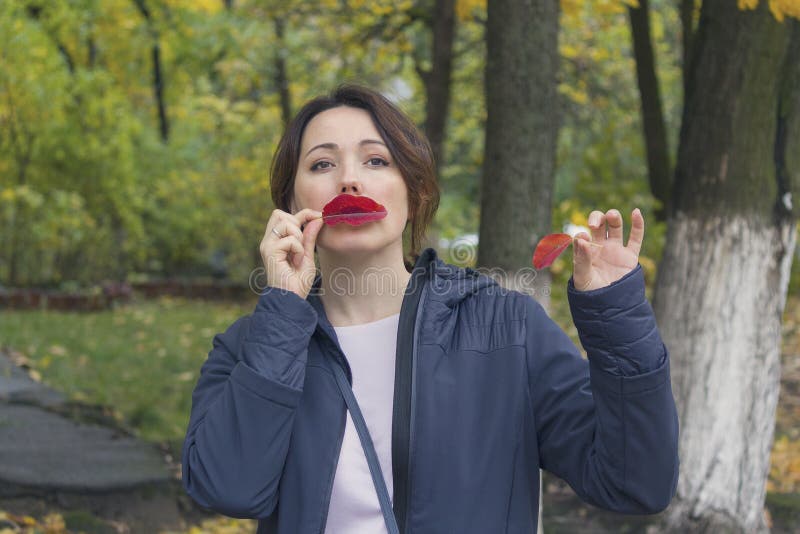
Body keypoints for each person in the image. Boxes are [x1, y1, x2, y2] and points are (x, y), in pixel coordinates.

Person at [181, 84, 679, 534]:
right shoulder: (252, 347)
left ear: (415, 193)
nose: (349, 180)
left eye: (376, 161)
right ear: (291, 201)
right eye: (322, 164)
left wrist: (615, 315)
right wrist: (284, 310)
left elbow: (635, 483)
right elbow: (228, 489)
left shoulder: (505, 330)